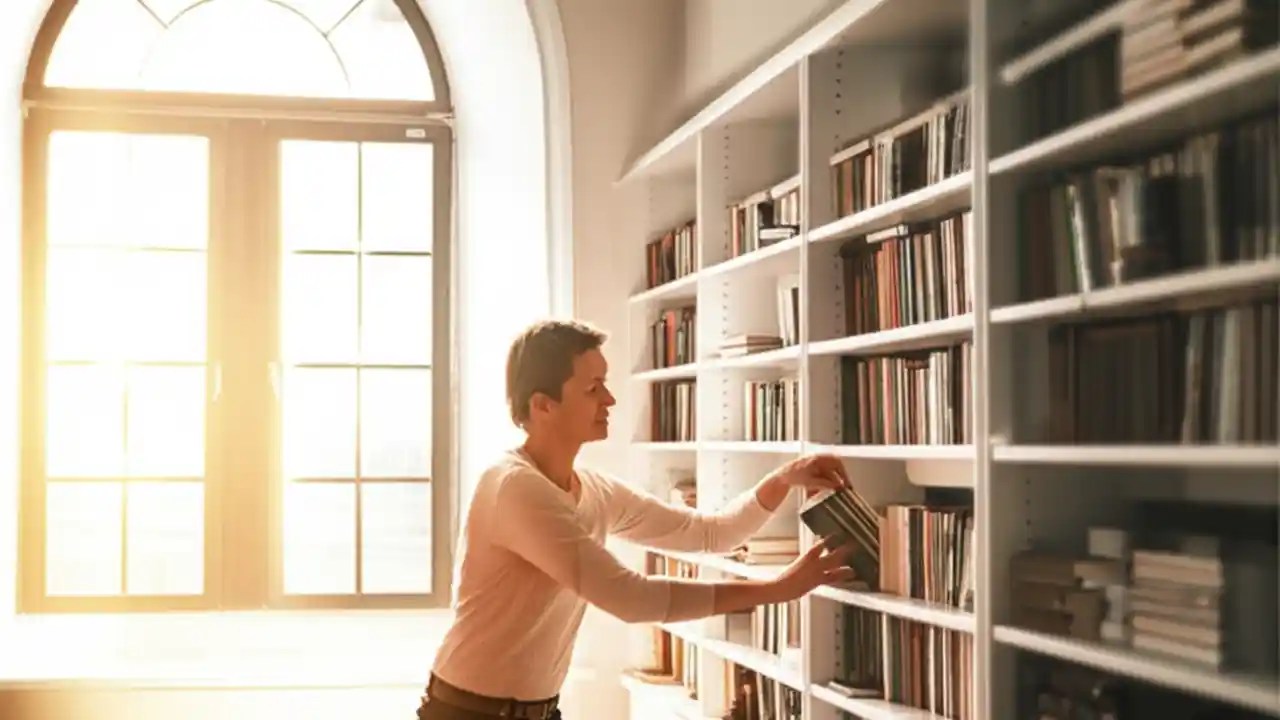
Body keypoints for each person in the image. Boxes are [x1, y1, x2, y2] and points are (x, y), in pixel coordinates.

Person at [418, 319, 856, 720]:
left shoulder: (595, 490)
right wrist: (775, 590)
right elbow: (631, 599)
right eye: (592, 388)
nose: (609, 399)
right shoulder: (513, 487)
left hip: (538, 711)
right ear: (542, 405)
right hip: (466, 712)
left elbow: (710, 533)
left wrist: (783, 479)